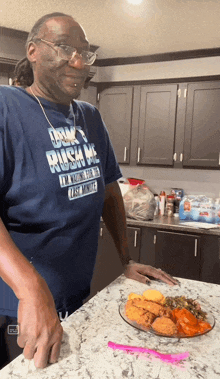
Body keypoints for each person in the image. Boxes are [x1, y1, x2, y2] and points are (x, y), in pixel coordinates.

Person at [0, 12, 178, 370]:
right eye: (65, 48)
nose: (79, 62)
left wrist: (124, 260)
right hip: (19, 306)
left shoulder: (89, 117)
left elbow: (109, 194)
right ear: (33, 51)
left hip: (80, 295)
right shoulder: (6, 108)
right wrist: (30, 290)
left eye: (86, 53)